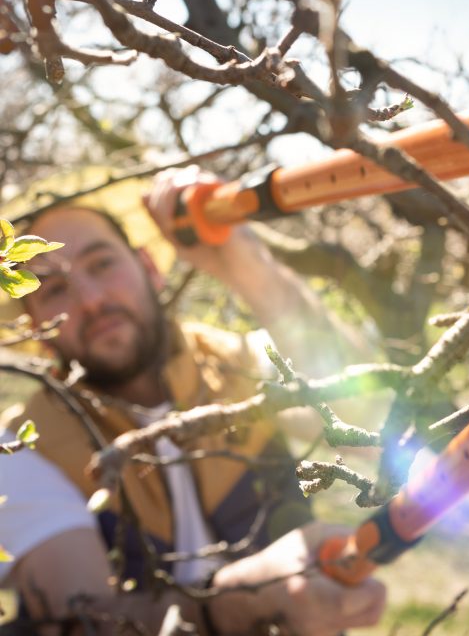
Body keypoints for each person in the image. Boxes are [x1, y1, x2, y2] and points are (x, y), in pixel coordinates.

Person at [0, 167, 386, 635]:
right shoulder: (21, 451)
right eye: (55, 289)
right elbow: (77, 621)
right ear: (34, 327)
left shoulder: (241, 366)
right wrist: (243, 599)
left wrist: (248, 264)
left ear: (149, 266)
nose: (91, 300)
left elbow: (379, 423)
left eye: (102, 263)